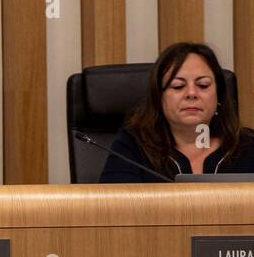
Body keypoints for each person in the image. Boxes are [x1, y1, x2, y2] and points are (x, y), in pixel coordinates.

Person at [99, 41, 254, 181]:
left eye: (203, 85)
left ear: (218, 95)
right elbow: (113, 208)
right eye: (178, 86)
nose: (191, 93)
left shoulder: (247, 146)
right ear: (159, 97)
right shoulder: (133, 146)